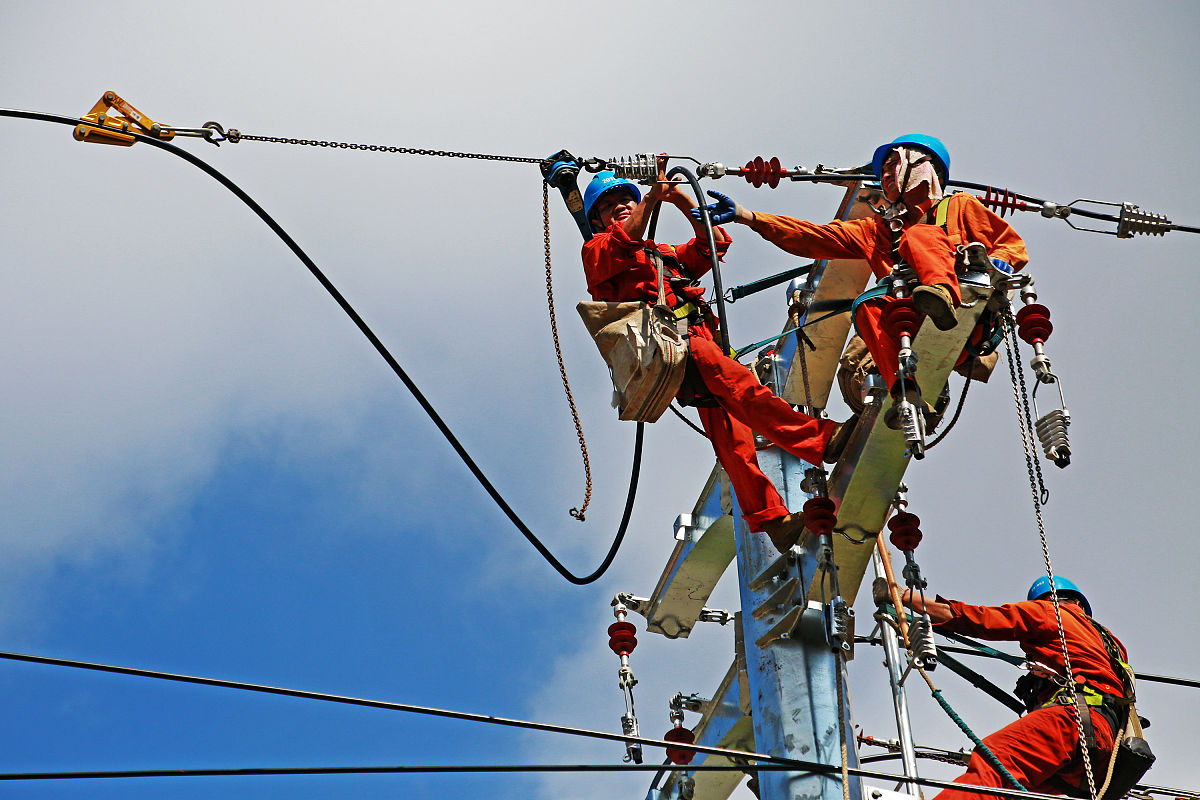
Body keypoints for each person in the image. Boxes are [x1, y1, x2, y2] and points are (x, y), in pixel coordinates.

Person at [580, 163, 855, 551]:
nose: (622, 206)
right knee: (745, 390)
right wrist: (654, 197)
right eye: (610, 205)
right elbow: (625, 239)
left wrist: (678, 198)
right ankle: (821, 440)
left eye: (627, 198)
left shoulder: (660, 254)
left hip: (697, 342)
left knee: (733, 438)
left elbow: (713, 243)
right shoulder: (597, 251)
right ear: (597, 220)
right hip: (673, 344)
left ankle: (772, 520)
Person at [692, 134, 1029, 421]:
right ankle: (907, 394)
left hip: (967, 316)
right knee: (867, 306)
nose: (885, 174)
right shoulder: (879, 232)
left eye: (893, 164)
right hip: (914, 320)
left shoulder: (959, 206)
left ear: (924, 167)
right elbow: (813, 236)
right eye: (883, 170)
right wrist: (748, 216)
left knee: (919, 236)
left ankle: (941, 292)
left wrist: (1000, 264)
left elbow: (1009, 244)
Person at [877, 575, 1132, 798]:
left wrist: (903, 597)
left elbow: (980, 619)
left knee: (994, 767)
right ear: (1080, 604)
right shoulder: (1112, 643)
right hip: (1106, 749)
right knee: (1013, 791)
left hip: (1072, 721)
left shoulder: (1048, 612)